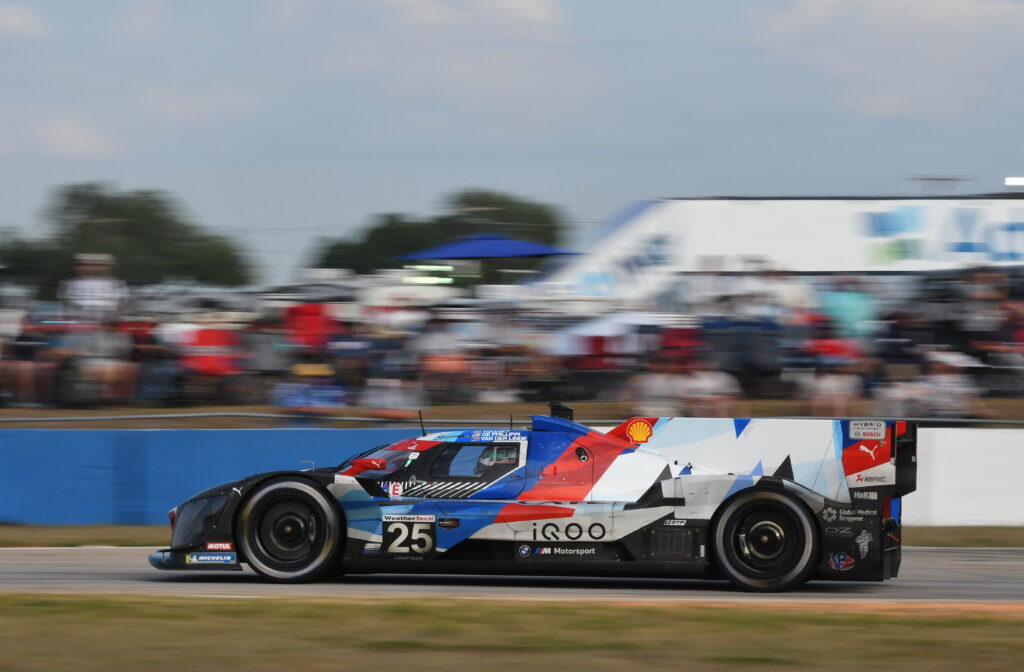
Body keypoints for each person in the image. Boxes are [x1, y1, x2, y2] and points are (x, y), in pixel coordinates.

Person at [58, 253, 128, 322]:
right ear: (77, 267)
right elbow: (64, 307)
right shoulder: (68, 284)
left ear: (109, 267)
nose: (93, 267)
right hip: (79, 325)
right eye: (86, 265)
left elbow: (122, 307)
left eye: (100, 265)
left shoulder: (118, 284)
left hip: (108, 325)